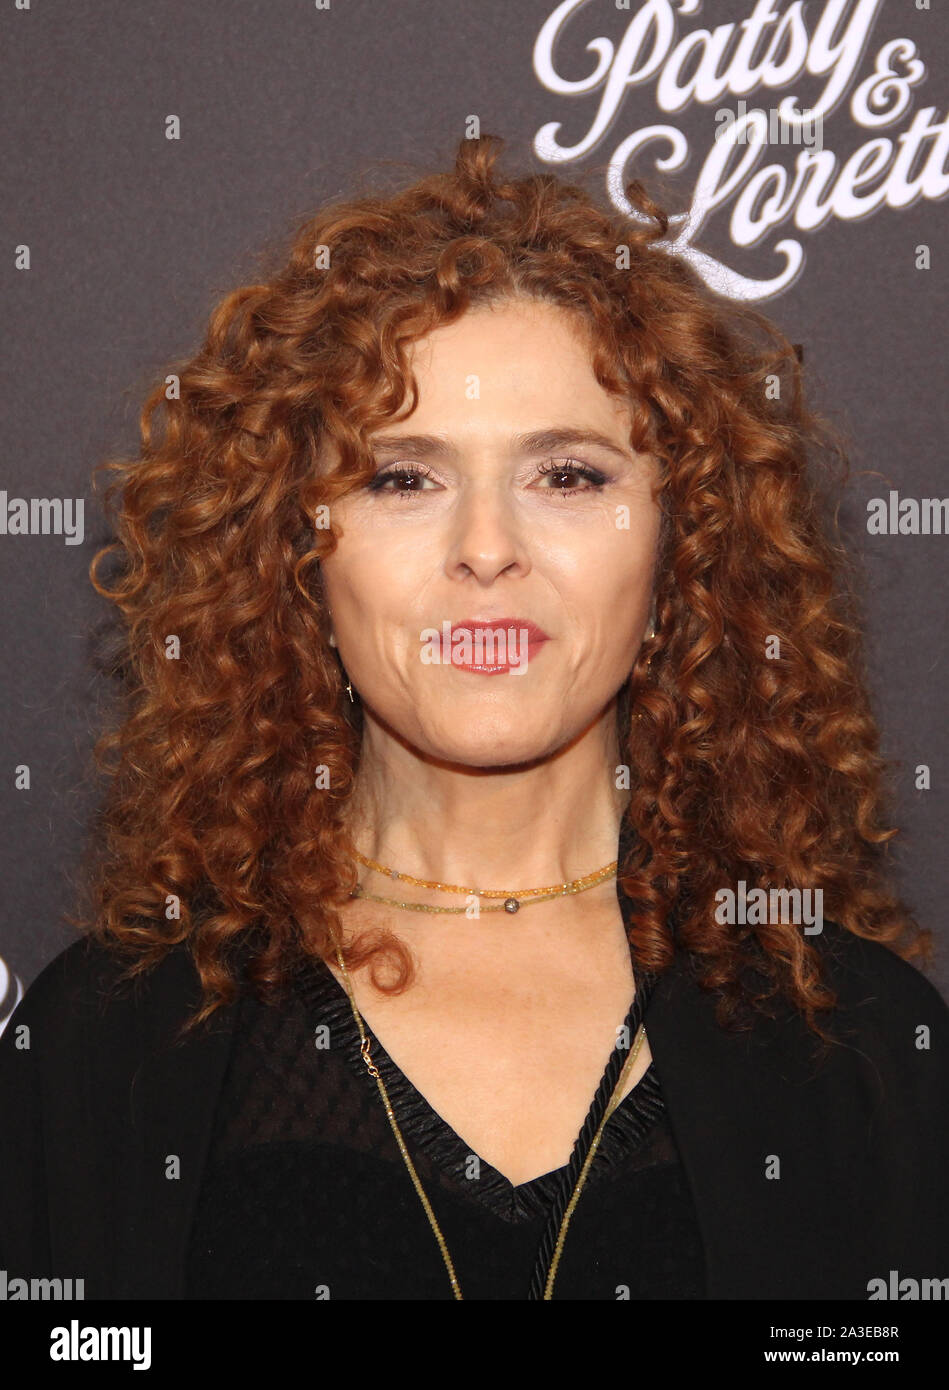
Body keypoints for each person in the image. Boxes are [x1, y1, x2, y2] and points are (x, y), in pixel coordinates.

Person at [1, 133, 946, 1302]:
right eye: (403, 477)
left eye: (569, 476)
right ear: (297, 554)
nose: (486, 551)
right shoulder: (108, 1046)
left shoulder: (862, 1048)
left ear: (683, 548)